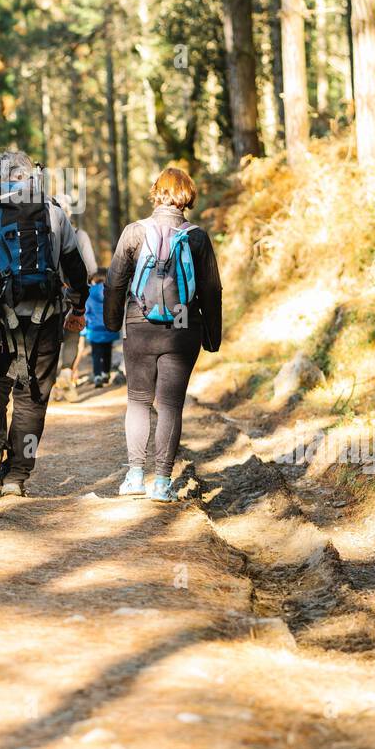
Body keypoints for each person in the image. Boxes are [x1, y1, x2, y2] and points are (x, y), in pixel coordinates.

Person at [0, 150, 89, 497]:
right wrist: (78, 306)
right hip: (46, 318)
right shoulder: (52, 209)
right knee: (33, 398)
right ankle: (18, 475)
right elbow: (75, 265)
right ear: (30, 176)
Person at [104, 165, 222, 502]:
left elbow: (115, 282)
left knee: (139, 401)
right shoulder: (197, 236)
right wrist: (212, 336)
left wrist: (114, 324)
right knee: (170, 405)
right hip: (183, 325)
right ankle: (162, 483)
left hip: (139, 324)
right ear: (187, 195)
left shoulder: (134, 232)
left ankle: (135, 475)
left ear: (156, 193)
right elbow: (212, 290)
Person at [53, 222, 98, 401]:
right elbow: (92, 268)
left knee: (49, 337)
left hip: (49, 294)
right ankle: (65, 374)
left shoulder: (43, 230)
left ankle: (48, 384)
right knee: (72, 334)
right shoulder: (80, 235)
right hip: (74, 293)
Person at [82, 269, 121, 387]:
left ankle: (97, 375)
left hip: (94, 329)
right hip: (108, 327)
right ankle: (106, 373)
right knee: (107, 351)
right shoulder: (110, 292)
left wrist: (85, 326)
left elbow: (86, 311)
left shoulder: (89, 293)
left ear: (94, 279)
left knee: (96, 353)